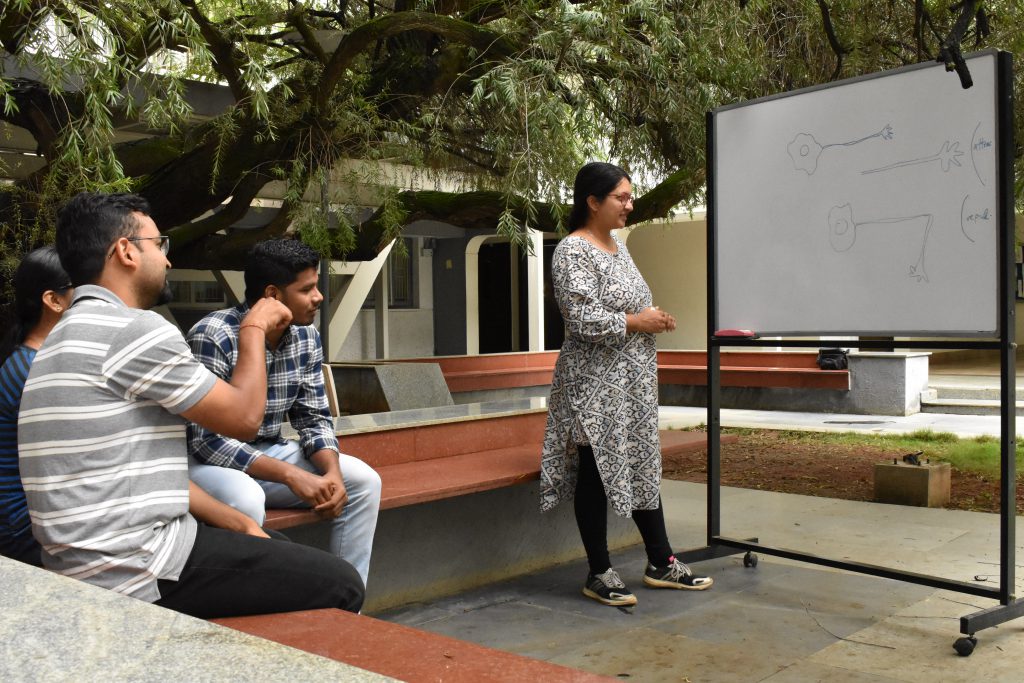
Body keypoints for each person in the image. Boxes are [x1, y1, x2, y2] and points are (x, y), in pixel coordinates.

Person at [17, 192, 364, 618]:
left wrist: (239, 522)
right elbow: (242, 419)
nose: (166, 260)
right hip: (137, 565)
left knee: (280, 548)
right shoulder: (134, 330)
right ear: (125, 251)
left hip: (91, 557)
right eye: (158, 244)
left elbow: (123, 469)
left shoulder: (62, 337)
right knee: (341, 584)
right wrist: (253, 327)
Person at [540, 162, 714, 607]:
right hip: (593, 385)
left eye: (630, 196)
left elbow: (627, 303)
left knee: (639, 460)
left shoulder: (618, 246)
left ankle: (661, 561)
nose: (630, 205)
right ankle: (599, 572)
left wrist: (651, 317)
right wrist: (638, 321)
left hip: (631, 384)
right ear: (592, 202)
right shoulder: (572, 251)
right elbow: (580, 318)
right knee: (597, 470)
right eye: (621, 197)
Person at [186, 239, 381, 586]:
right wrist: (292, 476)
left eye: (316, 286)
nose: (319, 297)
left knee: (363, 481)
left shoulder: (306, 336)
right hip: (205, 464)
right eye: (307, 289)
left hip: (269, 452)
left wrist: (330, 472)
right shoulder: (213, 335)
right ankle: (262, 610)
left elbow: (313, 417)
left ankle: (344, 602)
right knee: (245, 498)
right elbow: (206, 441)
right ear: (273, 295)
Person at [0, 247, 73, 566]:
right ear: (53, 300)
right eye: (83, 291)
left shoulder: (32, 358)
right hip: (25, 531)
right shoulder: (34, 371)